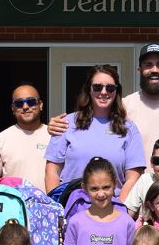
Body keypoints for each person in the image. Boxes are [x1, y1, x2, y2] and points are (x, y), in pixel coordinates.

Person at [53, 44, 159, 185]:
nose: (154, 70)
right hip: (133, 197)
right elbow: (94, 129)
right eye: (148, 65)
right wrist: (51, 127)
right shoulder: (123, 107)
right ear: (139, 70)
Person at [44, 64, 146, 200]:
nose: (104, 92)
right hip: (72, 207)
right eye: (97, 87)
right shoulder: (66, 123)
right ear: (89, 90)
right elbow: (52, 170)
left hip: (112, 209)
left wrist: (120, 209)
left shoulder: (128, 128)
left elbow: (134, 176)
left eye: (110, 88)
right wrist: (56, 206)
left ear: (116, 92)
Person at [0, 83, 49, 189]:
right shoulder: (0, 140)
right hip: (14, 204)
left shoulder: (54, 136)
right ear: (13, 108)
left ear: (40, 105)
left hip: (48, 204)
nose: (25, 107)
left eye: (31, 101)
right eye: (19, 103)